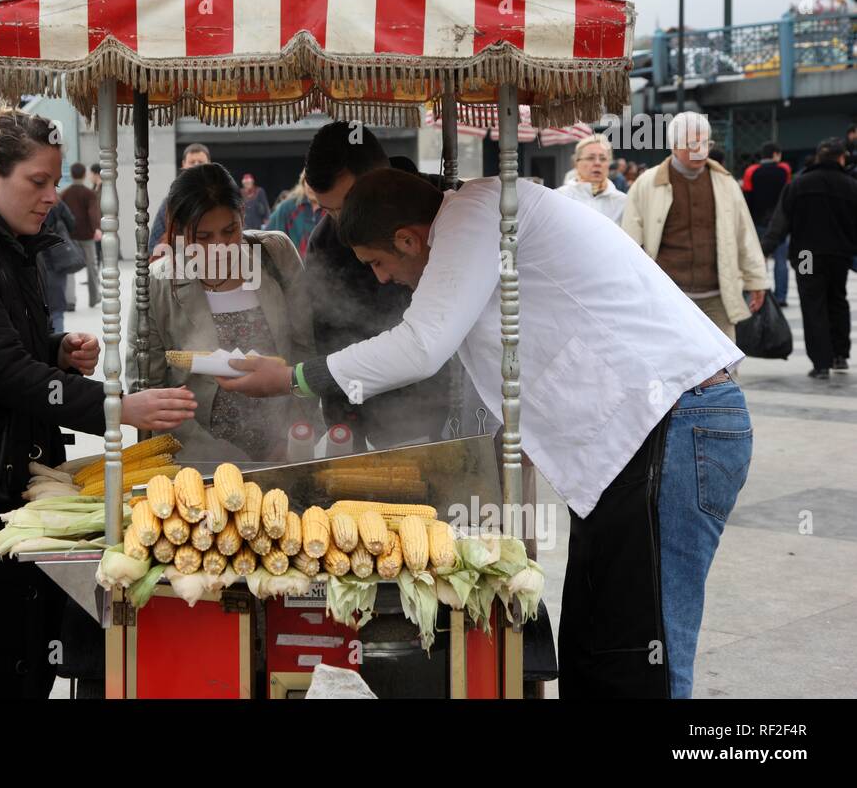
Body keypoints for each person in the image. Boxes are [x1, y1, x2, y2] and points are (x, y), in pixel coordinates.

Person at [221, 167, 750, 698]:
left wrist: (295, 378)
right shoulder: (475, 224)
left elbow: (421, 346)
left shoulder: (476, 214)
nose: (380, 279)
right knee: (597, 652)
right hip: (639, 444)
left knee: (642, 658)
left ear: (409, 237)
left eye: (378, 263)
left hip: (676, 424)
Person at [0, 104, 195, 697]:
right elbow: (2, 371)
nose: (51, 197)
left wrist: (57, 349)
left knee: (32, 648)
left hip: (25, 466)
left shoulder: (13, 245)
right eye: (37, 182)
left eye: (55, 182)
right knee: (8, 649)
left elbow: (17, 351)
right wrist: (118, 408)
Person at [303, 121, 470, 450]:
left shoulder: (452, 206)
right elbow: (331, 337)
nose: (342, 220)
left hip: (475, 401)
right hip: (392, 419)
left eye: (348, 203)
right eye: (329, 210)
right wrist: (343, 430)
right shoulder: (326, 243)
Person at [137, 162, 314, 463]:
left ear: (243, 215)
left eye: (230, 230)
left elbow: (304, 349)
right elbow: (149, 387)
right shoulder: (157, 284)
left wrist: (297, 434)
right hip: (200, 460)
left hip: (285, 449)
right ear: (178, 232)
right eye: (203, 237)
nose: (220, 247)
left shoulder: (276, 254)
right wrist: (217, 457)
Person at [622, 111, 769, 341]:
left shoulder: (725, 182)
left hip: (719, 296)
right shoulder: (647, 184)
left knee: (724, 368)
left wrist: (756, 281)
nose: (700, 150)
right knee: (675, 365)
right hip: (669, 296)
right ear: (673, 145)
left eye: (705, 143)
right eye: (692, 144)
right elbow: (630, 242)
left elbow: (744, 235)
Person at [760, 138, 857, 379]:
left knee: (813, 304)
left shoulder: (799, 184)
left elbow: (780, 223)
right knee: (838, 299)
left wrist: (764, 250)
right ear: (842, 158)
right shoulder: (851, 185)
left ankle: (821, 363)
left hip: (806, 254)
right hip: (839, 253)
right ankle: (840, 355)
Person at [742, 142, 792, 307]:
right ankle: (781, 297)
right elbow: (787, 195)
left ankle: (759, 295)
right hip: (780, 225)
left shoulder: (751, 172)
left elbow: (747, 200)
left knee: (758, 260)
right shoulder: (784, 170)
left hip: (757, 224)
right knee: (780, 261)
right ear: (776, 154)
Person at [556, 134, 628, 224]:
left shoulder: (622, 202)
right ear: (576, 163)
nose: (597, 163)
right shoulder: (559, 198)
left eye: (603, 158)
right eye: (590, 158)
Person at [150, 143, 211, 247]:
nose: (196, 165)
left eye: (200, 162)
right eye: (192, 162)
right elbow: (154, 244)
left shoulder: (220, 198)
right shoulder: (170, 202)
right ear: (184, 164)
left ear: (209, 164)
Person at [60, 161, 101, 309]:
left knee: (69, 268)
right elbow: (93, 212)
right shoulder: (89, 193)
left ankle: (70, 301)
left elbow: (60, 214)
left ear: (71, 175)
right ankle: (94, 297)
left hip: (69, 236)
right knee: (91, 267)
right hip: (87, 235)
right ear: (84, 175)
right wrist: (96, 228)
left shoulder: (64, 193)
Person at [263, 169, 323, 257]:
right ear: (303, 183)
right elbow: (267, 236)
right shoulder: (287, 207)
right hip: (293, 266)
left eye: (316, 181)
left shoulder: (333, 209)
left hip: (327, 267)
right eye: (308, 181)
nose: (311, 186)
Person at [39, 200, 74, 332]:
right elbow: (71, 223)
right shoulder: (57, 203)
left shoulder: (27, 201)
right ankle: (57, 343)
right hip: (56, 259)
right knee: (57, 310)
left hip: (36, 257)